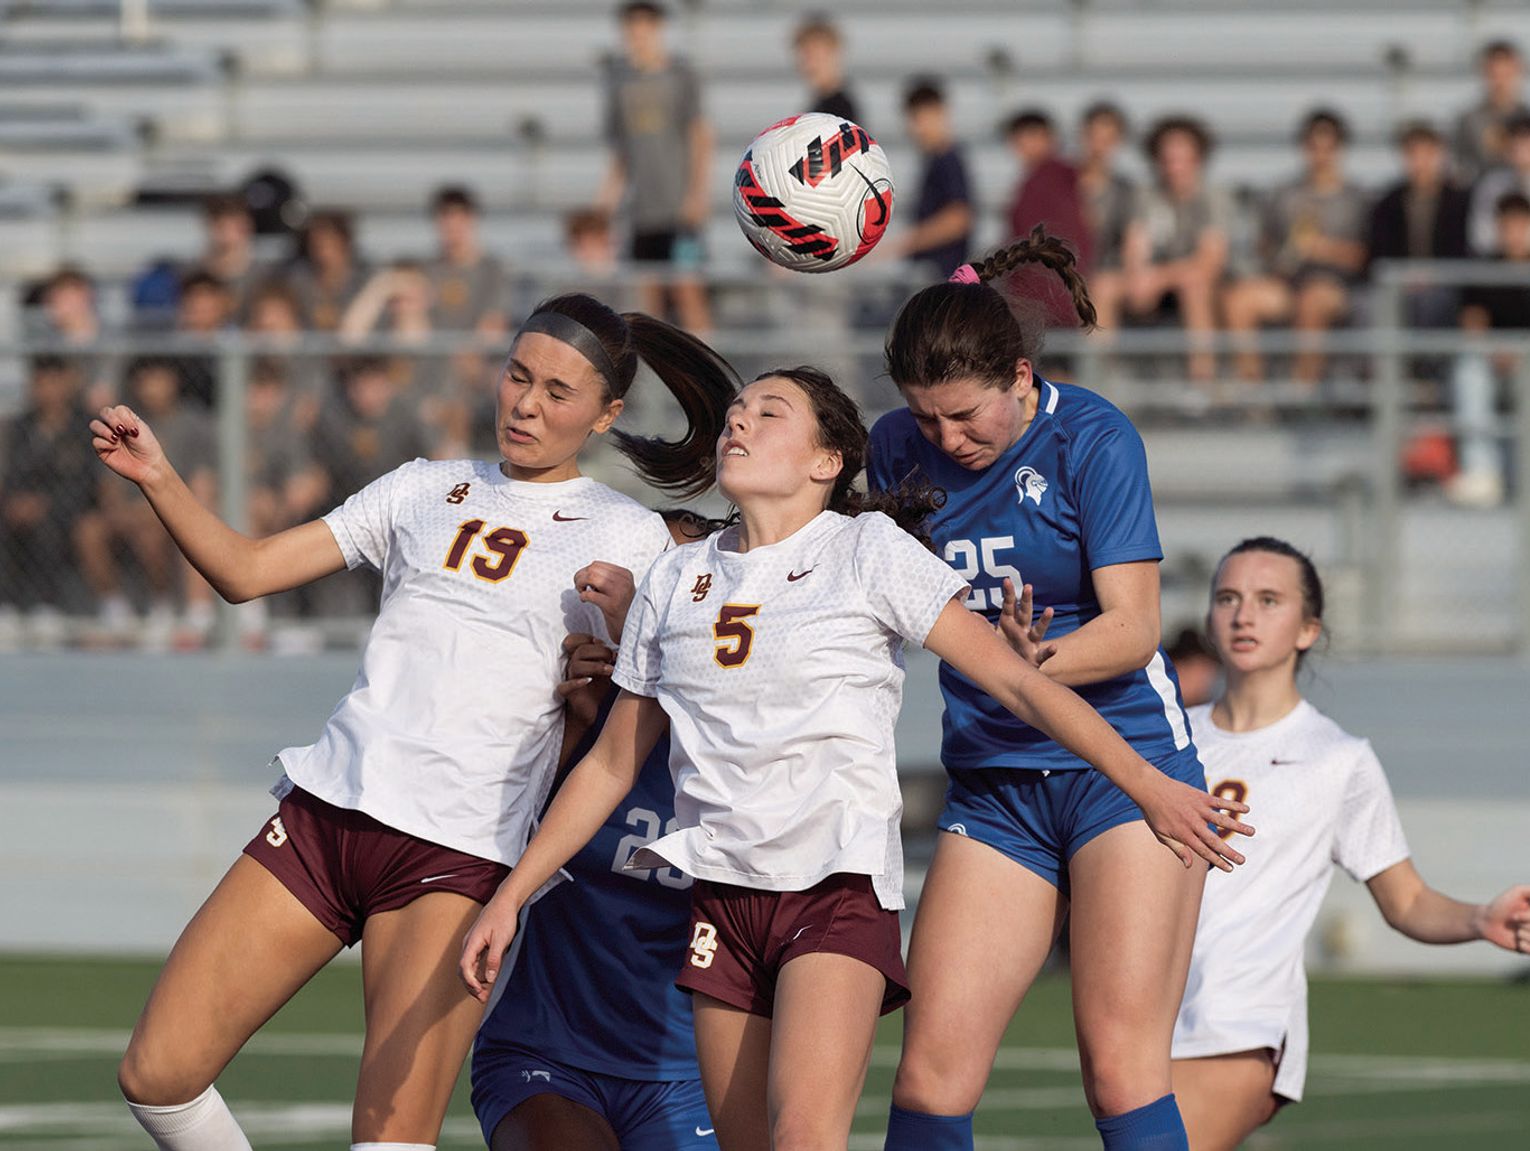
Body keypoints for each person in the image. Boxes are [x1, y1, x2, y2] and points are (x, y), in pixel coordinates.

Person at [462, 366, 1248, 1151]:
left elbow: (1018, 682)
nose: (740, 422)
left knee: (805, 1135)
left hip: (832, 895)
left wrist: (1149, 782)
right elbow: (609, 767)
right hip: (722, 902)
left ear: (826, 460)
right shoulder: (677, 577)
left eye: (769, 413)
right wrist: (510, 897)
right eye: (737, 410)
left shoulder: (867, 550)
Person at [95, 293, 736, 1151]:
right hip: (324, 817)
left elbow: (674, 702)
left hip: (458, 858)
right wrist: (159, 478)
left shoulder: (634, 537)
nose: (526, 404)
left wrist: (621, 641)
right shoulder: (423, 486)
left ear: (606, 414)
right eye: (517, 376)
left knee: (389, 1140)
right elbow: (245, 571)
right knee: (158, 1073)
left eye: (557, 391)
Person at [871, 232, 1244, 1150]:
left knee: (1119, 1068)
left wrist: (1027, 663)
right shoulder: (893, 451)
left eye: (964, 417)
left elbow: (1133, 627)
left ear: (1021, 376)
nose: (945, 441)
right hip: (996, 784)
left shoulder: (1094, 435)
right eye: (926, 420)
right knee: (929, 1076)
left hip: (1126, 773)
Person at [1171, 536, 1530, 1151]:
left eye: (1268, 600)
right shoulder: (1164, 738)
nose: (1243, 615)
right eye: (1227, 597)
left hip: (1245, 1023)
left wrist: (1478, 917)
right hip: (1141, 1014)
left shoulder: (1338, 759)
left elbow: (1407, 902)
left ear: (1308, 629)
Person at [471, 509, 722, 1151]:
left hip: (694, 1071)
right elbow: (492, 841)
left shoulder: (746, 742)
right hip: (545, 1053)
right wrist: (573, 728)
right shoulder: (582, 706)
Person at [1220, 109, 1370, 384]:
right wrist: (1282, 255)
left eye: (1328, 147)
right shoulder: (1284, 193)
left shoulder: (1356, 197)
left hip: (1336, 288)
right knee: (1240, 299)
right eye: (1314, 146)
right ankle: (1251, 388)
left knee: (1313, 299)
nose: (1320, 155)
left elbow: (1365, 256)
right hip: (1289, 283)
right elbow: (1265, 245)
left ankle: (1304, 388)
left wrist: (1324, 249)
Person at [599, 1, 713, 333]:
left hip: (679, 211)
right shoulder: (619, 84)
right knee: (647, 304)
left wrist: (697, 194)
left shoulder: (680, 76)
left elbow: (700, 136)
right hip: (642, 212)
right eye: (632, 29)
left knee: (687, 292)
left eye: (645, 28)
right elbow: (621, 154)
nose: (638, 36)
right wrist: (605, 205)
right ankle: (657, 380)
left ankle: (712, 379)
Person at [1092, 116, 1232, 382]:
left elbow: (1209, 262)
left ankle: (1202, 382)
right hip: (1158, 280)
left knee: (1194, 284)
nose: (1175, 167)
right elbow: (1135, 243)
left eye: (1182, 159)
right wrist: (1137, 276)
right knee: (1104, 286)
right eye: (1168, 159)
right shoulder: (1145, 194)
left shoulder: (1213, 197)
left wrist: (1158, 278)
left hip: (1202, 284)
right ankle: (1101, 381)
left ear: (1198, 159)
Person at [1448, 190, 1530, 507]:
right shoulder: (1483, 269)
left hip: (1526, 358)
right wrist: (1494, 349)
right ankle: (1482, 473)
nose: (1514, 233)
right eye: (1507, 225)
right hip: (1492, 356)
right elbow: (1473, 319)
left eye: (1520, 224)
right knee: (1469, 369)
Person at [1367, 120, 1472, 330]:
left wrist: (1434, 275)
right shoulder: (1389, 203)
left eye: (1427, 154)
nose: (1420, 162)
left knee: (1433, 304)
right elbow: (1379, 252)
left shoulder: (1459, 201)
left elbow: (1463, 249)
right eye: (1413, 154)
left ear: (1439, 155)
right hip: (1399, 285)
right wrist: (1405, 276)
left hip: (1447, 285)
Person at [894, 79, 974, 278]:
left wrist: (906, 243)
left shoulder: (948, 159)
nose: (917, 127)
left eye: (921, 117)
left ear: (941, 113)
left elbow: (958, 219)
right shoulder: (933, 160)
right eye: (913, 118)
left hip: (941, 273)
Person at [425, 185, 509, 336]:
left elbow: (492, 326)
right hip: (429, 357)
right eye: (446, 222)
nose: (452, 230)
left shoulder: (493, 271)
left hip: (478, 357)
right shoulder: (425, 271)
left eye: (459, 221)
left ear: (472, 221)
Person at [1453, 39, 1529, 181]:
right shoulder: (1469, 120)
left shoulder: (1526, 116)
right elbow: (1460, 166)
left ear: (1517, 71)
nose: (1500, 82)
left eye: (1505, 74)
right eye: (1493, 74)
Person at [1076, 101, 1135, 279]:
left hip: (1104, 274)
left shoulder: (1125, 191)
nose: (1098, 147)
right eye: (1093, 138)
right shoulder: (1058, 184)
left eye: (1107, 140)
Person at [1467, 111, 1530, 254]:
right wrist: (1510, 241)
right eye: (1514, 139)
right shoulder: (1491, 184)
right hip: (1497, 269)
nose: (1520, 147)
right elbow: (1480, 237)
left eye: (1525, 139)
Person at [793, 16, 858, 125]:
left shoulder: (839, 108)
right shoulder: (821, 103)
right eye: (805, 55)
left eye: (815, 55)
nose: (808, 63)